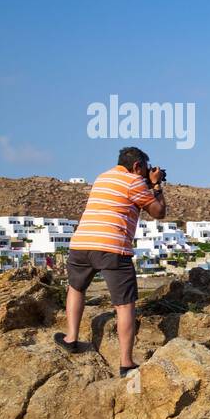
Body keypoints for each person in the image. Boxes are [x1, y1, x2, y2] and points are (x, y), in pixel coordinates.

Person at [54, 146, 168, 377]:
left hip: (82, 244)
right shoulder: (134, 182)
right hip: (112, 248)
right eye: (145, 168)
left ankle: (71, 338)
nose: (147, 171)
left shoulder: (102, 177)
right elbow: (158, 212)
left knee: (76, 288)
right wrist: (156, 185)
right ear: (137, 166)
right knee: (125, 305)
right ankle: (126, 362)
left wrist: (147, 181)